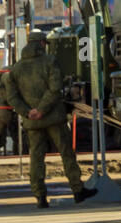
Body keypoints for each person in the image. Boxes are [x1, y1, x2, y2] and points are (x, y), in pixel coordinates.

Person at [6, 34, 96, 208]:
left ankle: (40, 197)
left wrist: (28, 111)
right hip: (54, 117)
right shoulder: (50, 61)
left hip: (32, 121)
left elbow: (12, 97)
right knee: (66, 153)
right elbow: (55, 88)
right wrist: (42, 109)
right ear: (41, 43)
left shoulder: (16, 68)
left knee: (36, 158)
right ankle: (78, 190)